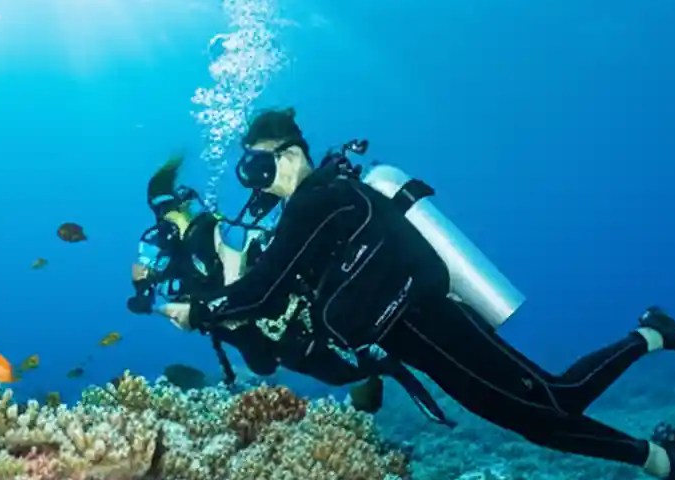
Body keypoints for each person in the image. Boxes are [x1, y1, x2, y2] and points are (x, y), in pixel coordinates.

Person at [164, 108, 675, 480]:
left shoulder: (322, 199)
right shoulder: (311, 209)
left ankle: (657, 338)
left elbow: (264, 289)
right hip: (417, 337)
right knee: (539, 419)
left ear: (293, 154)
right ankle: (658, 448)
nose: (256, 181)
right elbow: (278, 294)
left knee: (552, 403)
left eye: (260, 166)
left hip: (432, 322)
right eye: (249, 171)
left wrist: (200, 311)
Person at [129, 154, 455, 426]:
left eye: (177, 210)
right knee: (287, 365)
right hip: (263, 335)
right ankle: (387, 362)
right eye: (168, 214)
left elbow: (240, 277)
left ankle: (394, 356)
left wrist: (200, 308)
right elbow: (160, 293)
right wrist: (147, 291)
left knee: (344, 362)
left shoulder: (218, 232)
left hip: (284, 319)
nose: (174, 220)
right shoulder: (176, 254)